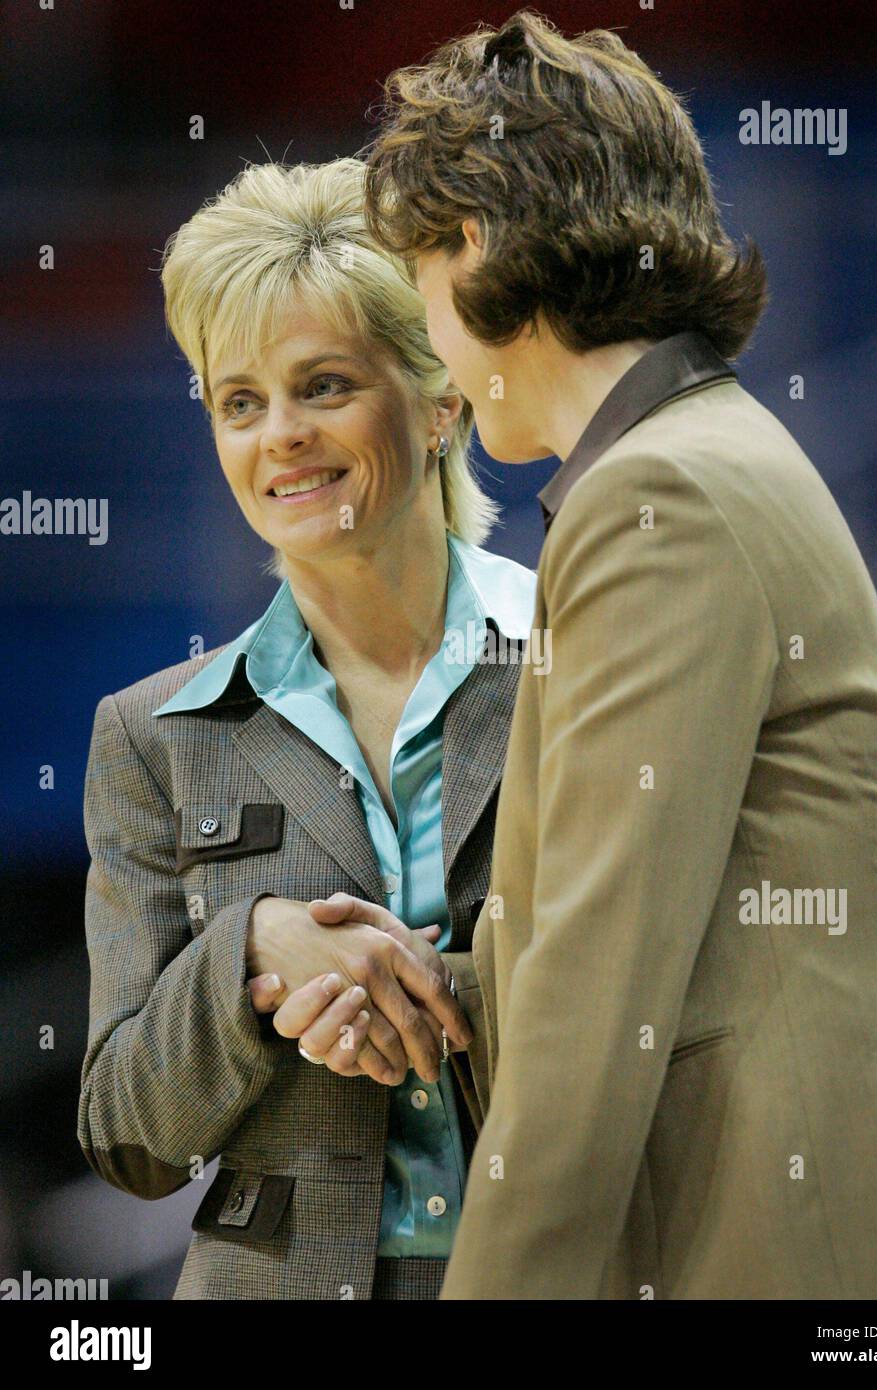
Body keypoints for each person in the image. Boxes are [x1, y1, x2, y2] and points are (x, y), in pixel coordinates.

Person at [342, 11, 877, 1297]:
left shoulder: (661, 500)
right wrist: (416, 979)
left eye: (417, 282)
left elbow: (596, 1011)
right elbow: (661, 943)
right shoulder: (698, 458)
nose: (432, 352)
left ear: (473, 243)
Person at [77, 157, 537, 1300]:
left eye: (322, 384)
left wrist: (391, 988)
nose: (278, 434)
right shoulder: (151, 733)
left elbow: (680, 1000)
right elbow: (128, 1136)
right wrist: (252, 952)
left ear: (440, 402)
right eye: (240, 401)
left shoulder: (588, 658)